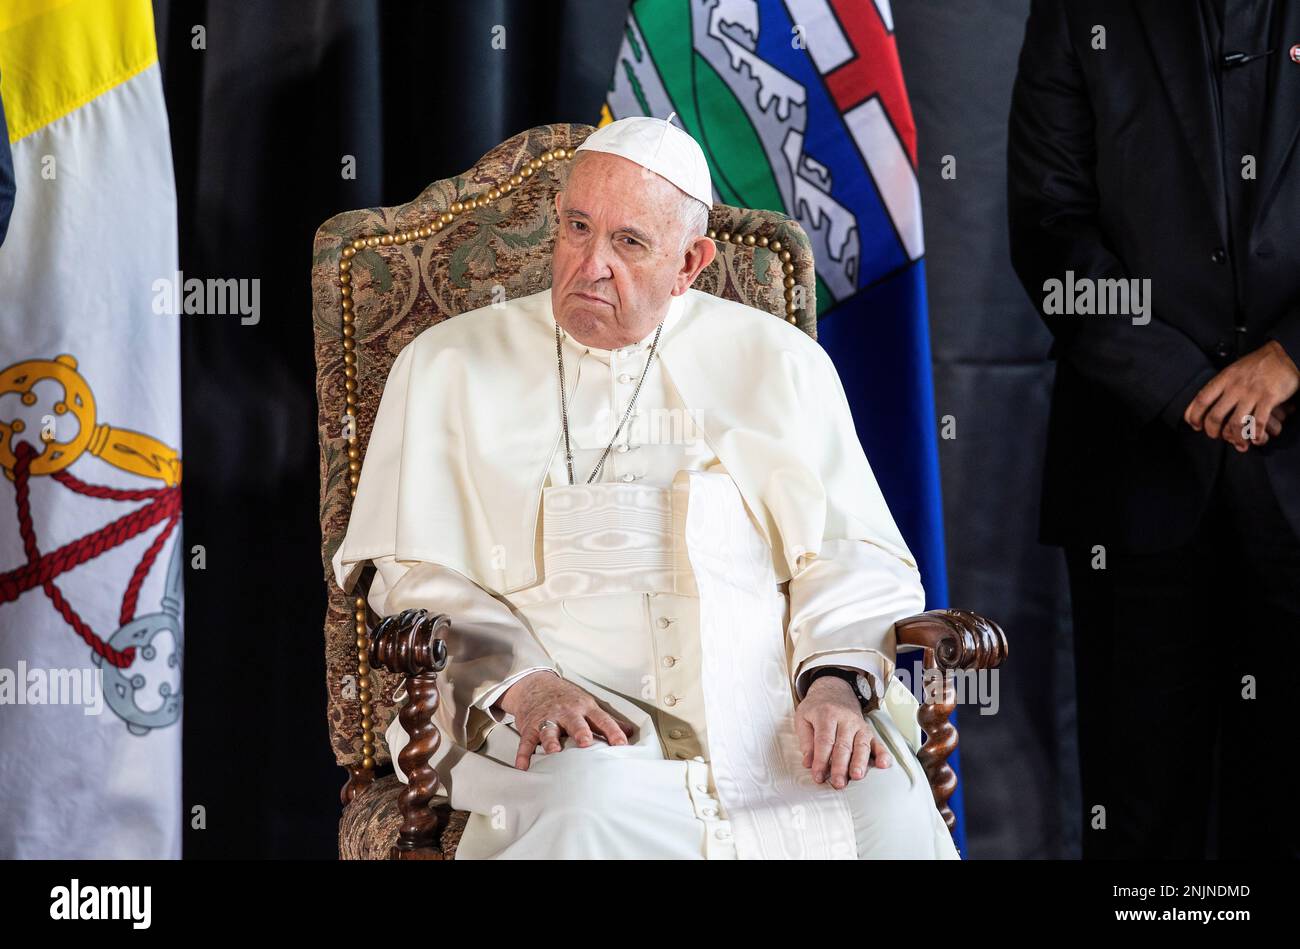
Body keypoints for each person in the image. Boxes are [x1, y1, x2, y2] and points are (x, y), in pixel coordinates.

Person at [333, 115, 958, 860]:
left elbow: (852, 554)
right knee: (588, 802)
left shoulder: (779, 364)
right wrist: (526, 685)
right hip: (561, 724)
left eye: (629, 243)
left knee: (883, 799)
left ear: (691, 262)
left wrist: (832, 684)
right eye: (576, 227)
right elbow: (416, 575)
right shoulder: (445, 367)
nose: (590, 264)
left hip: (766, 717)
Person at [1008, 0, 1300, 858]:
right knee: (1139, 823)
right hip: (1137, 474)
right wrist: (1186, 386)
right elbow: (1049, 227)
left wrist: (1291, 357)